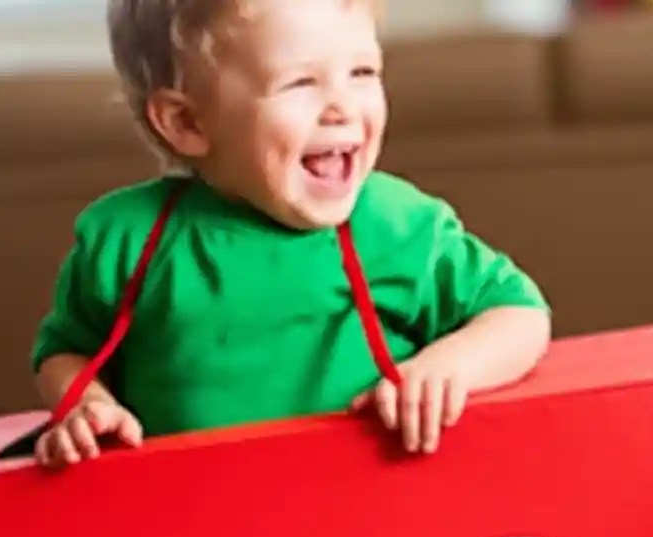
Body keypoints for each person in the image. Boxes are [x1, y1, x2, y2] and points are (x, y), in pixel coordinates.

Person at [31, 0, 551, 468]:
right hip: (193, 528)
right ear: (187, 121)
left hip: (369, 516)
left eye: (363, 71)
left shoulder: (397, 225)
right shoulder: (126, 239)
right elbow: (65, 351)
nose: (342, 107)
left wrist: (449, 366)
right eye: (301, 83)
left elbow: (520, 314)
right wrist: (88, 405)